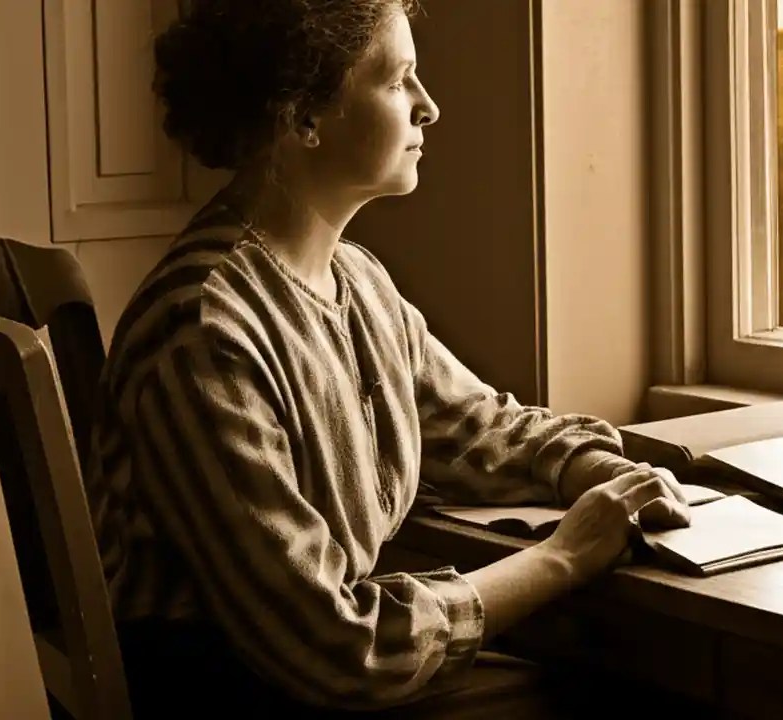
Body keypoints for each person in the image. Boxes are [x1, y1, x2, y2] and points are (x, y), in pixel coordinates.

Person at [81, 0, 696, 716]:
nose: (428, 107)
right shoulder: (204, 330)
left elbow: (478, 427)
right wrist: (562, 556)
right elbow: (339, 649)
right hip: (243, 695)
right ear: (303, 116)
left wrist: (596, 467)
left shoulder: (357, 282)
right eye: (398, 79)